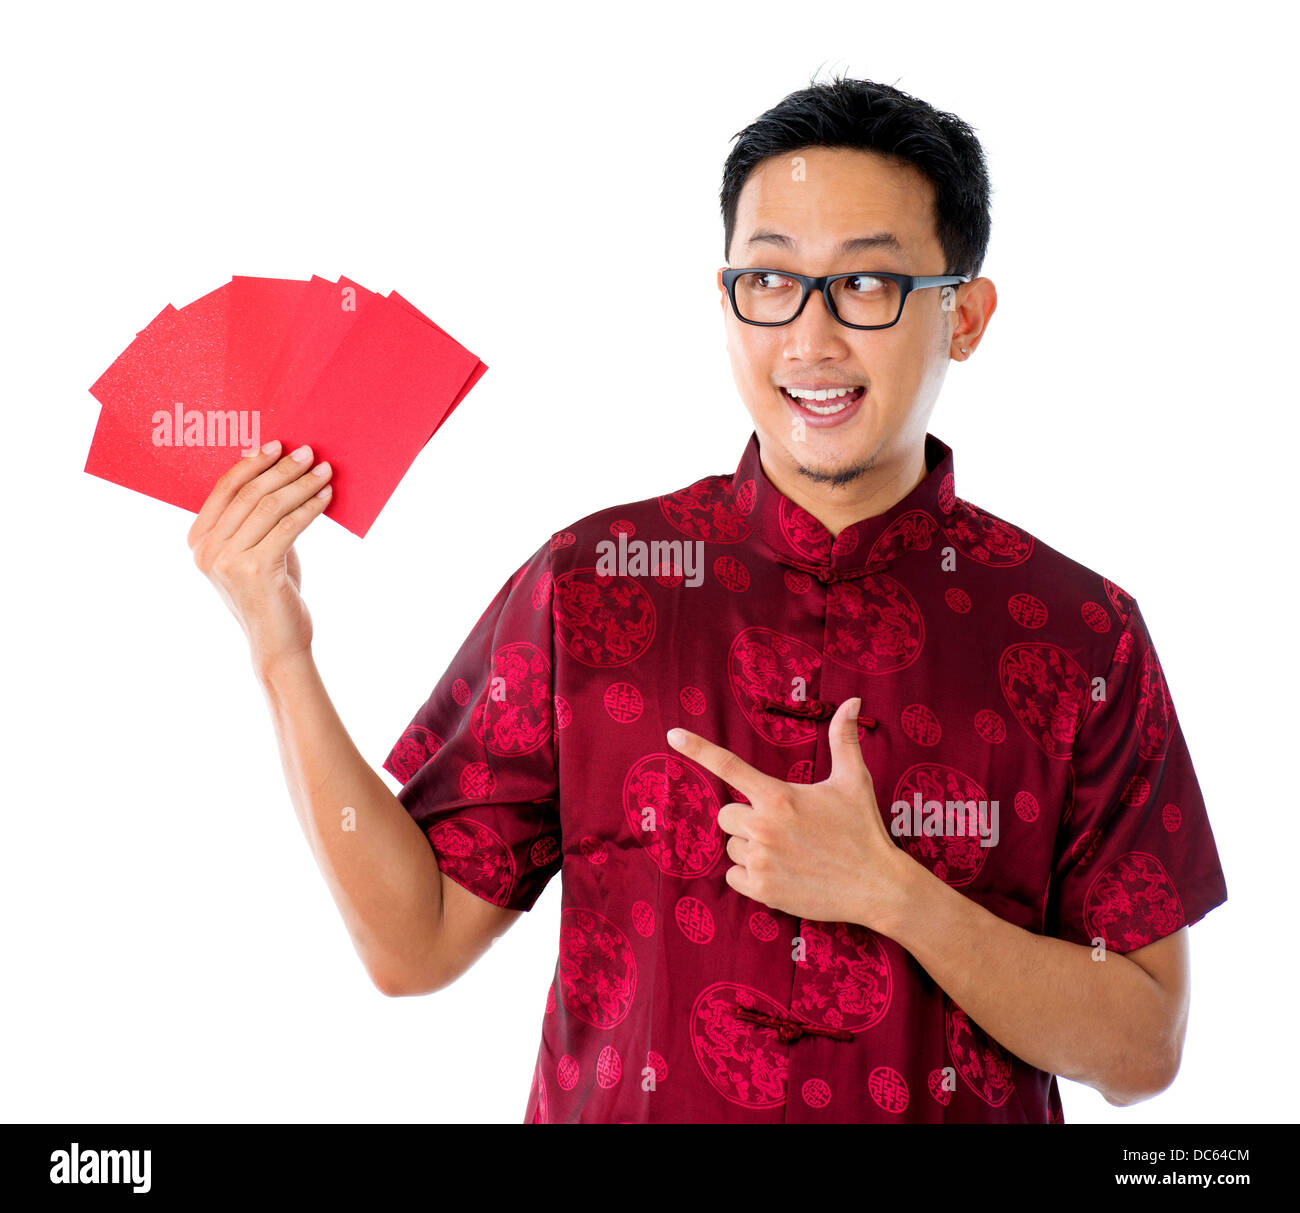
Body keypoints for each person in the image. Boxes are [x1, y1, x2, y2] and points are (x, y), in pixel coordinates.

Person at [190, 74, 1227, 1123]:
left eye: (867, 286)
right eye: (769, 282)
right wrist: (281, 647)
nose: (810, 341)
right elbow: (411, 943)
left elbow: (1143, 1046)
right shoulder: (591, 585)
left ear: (965, 315)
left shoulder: (1078, 631)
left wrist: (893, 894)